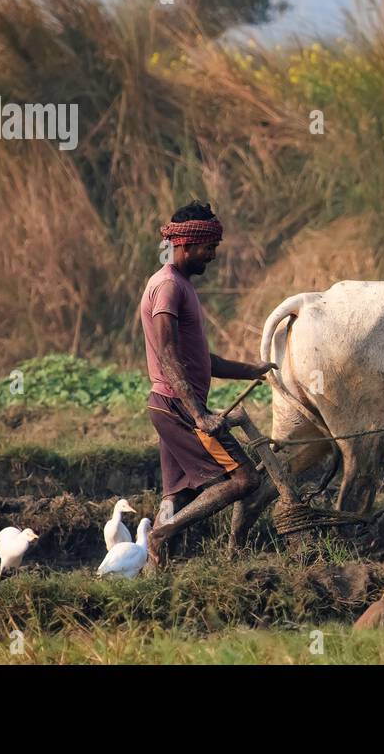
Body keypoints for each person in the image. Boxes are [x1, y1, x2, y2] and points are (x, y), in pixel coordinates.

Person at [139, 200, 275, 562]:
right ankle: (163, 533)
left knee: (176, 495)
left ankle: (157, 574)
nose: (212, 256)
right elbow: (168, 353)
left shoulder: (178, 285)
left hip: (168, 405)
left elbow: (202, 360)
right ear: (186, 244)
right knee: (245, 478)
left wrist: (253, 370)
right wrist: (199, 414)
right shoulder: (168, 288)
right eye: (209, 248)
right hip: (178, 407)